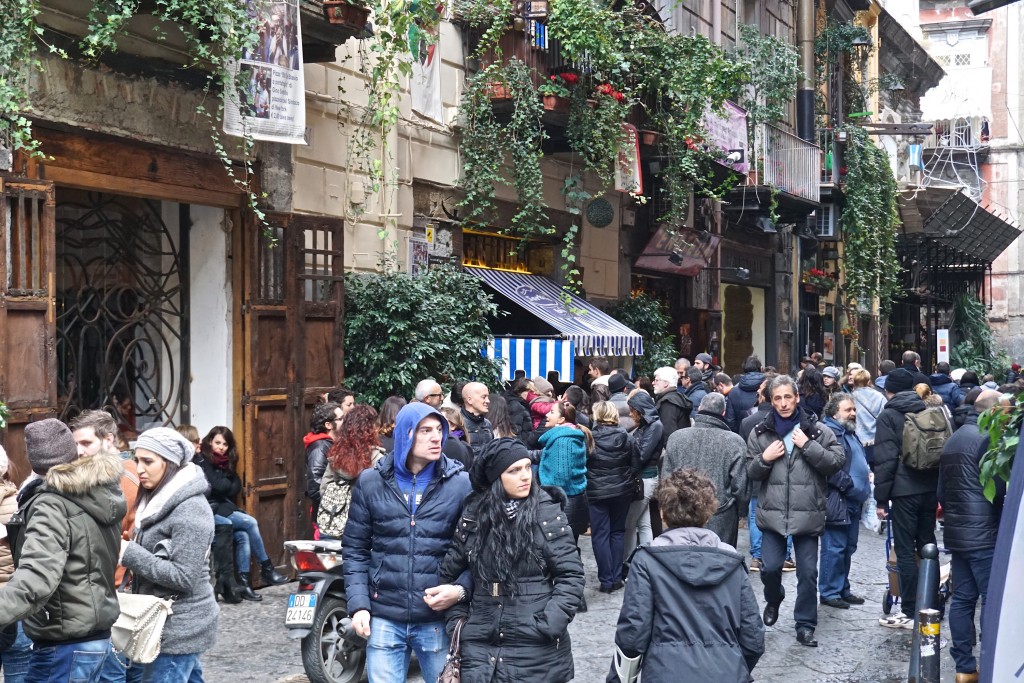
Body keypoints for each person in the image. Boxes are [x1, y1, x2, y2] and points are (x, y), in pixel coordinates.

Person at [342, 403, 473, 683]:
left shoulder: (460, 484)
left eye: (439, 430)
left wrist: (460, 590)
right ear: (405, 435)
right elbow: (355, 549)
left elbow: (478, 551)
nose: (436, 437)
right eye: (425, 431)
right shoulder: (370, 482)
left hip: (437, 619)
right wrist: (359, 605)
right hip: (384, 616)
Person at [438, 438, 585, 683]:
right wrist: (458, 624)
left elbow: (571, 575)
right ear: (496, 478)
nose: (525, 476)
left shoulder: (546, 512)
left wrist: (550, 623)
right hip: (481, 646)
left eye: (528, 467)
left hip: (536, 648)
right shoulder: (474, 515)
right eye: (514, 470)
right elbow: (449, 572)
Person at [608, 469, 764, 683]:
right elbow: (753, 638)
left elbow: (633, 634)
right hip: (727, 673)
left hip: (665, 674)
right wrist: (732, 666)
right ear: (709, 513)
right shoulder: (733, 562)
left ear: (663, 513)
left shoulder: (647, 560)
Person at [0, 419, 126, 681]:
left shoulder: (52, 504)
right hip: (91, 636)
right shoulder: (96, 488)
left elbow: (36, 578)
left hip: (66, 642)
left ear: (32, 460)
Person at [746, 375, 844, 647]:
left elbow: (836, 462)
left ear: (797, 397)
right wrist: (764, 459)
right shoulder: (760, 433)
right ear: (771, 401)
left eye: (788, 397)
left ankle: (805, 625)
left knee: (808, 573)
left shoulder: (817, 431)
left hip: (808, 513)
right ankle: (774, 598)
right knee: (769, 569)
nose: (784, 403)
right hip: (773, 514)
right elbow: (749, 471)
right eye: (777, 398)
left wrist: (808, 446)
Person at [118, 428, 218, 682]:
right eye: (137, 459)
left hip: (180, 628)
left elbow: (183, 576)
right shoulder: (154, 501)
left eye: (148, 461)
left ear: (170, 463)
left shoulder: (190, 509)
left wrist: (130, 553)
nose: (139, 468)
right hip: (160, 623)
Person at [937, 390, 1004, 683]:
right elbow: (1000, 491)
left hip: (958, 532)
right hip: (984, 532)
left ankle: (964, 667)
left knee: (963, 599)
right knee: (992, 600)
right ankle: (992, 662)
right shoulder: (988, 439)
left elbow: (941, 492)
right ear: (993, 412)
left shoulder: (954, 438)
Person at [873, 368, 941, 629]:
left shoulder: (889, 415)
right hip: (929, 489)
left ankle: (911, 610)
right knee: (928, 546)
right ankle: (932, 602)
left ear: (888, 390)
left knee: (904, 550)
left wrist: (880, 500)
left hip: (904, 492)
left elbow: (886, 461)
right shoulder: (927, 409)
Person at [197, 426, 289, 602]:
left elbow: (235, 486)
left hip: (225, 506)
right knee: (250, 522)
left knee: (243, 536)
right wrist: (226, 484)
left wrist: (226, 484)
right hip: (212, 509)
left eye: (225, 444)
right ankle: (267, 568)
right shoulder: (203, 461)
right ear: (209, 441)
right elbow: (220, 486)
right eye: (217, 442)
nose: (221, 447)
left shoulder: (226, 461)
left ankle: (245, 585)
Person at [662, 392, 747, 546]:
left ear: (699, 408)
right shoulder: (735, 442)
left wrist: (667, 509)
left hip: (681, 511)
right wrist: (741, 511)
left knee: (681, 560)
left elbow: (666, 478)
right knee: (719, 560)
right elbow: (740, 486)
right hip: (721, 513)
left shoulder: (676, 438)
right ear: (723, 413)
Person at [69, 409, 140, 583]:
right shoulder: (98, 475)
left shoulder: (125, 477)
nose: (79, 451)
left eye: (86, 443)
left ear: (108, 440)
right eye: (76, 444)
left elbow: (124, 541)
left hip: (113, 586)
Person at [818, 394, 871, 609]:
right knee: (835, 547)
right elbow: (827, 466)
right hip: (838, 498)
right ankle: (830, 591)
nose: (853, 413)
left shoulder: (847, 431)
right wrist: (848, 485)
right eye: (848, 409)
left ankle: (842, 588)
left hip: (852, 498)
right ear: (834, 412)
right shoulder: (829, 432)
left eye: (853, 409)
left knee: (848, 546)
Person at [586, 402, 637, 593]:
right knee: (617, 533)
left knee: (600, 535)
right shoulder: (626, 436)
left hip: (597, 492)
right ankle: (616, 578)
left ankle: (606, 580)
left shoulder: (590, 437)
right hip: (622, 491)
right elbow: (636, 462)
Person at [319, 405, 384, 539]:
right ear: (370, 429)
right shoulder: (378, 459)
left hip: (334, 524)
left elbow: (324, 488)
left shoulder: (336, 456)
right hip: (364, 530)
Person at [536, 403, 591, 543]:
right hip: (575, 500)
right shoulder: (570, 435)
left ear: (561, 419)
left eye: (552, 412)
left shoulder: (562, 441)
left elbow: (560, 477)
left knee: (562, 548)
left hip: (565, 504)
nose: (547, 415)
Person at [0, 445, 32, 682]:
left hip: (11, 601)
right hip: (15, 600)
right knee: (19, 670)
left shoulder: (16, 504)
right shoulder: (19, 501)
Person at [623, 391, 663, 563]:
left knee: (629, 524)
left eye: (633, 410)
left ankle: (628, 561)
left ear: (640, 410)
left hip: (645, 478)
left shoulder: (655, 426)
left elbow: (642, 454)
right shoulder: (649, 425)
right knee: (643, 523)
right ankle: (646, 561)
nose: (631, 414)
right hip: (645, 477)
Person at [304, 401, 344, 524]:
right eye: (341, 419)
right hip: (327, 517)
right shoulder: (320, 448)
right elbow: (315, 486)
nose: (345, 422)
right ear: (328, 425)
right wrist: (337, 503)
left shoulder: (331, 444)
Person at [850, 368, 886, 467]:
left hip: (858, 438)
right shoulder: (879, 396)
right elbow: (884, 416)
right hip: (876, 439)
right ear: (868, 381)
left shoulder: (851, 397)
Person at [725, 355, 764, 432]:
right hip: (766, 435)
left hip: (742, 436)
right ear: (760, 368)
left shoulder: (734, 392)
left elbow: (730, 421)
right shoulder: (769, 387)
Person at [652, 366, 691, 434]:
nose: (653, 383)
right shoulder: (674, 398)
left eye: (656, 380)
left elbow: (668, 432)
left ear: (666, 383)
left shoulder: (668, 403)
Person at [461, 382, 494, 461]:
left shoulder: (487, 423)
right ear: (470, 400)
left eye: (487, 397)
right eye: (483, 397)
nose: (488, 401)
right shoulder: (458, 423)